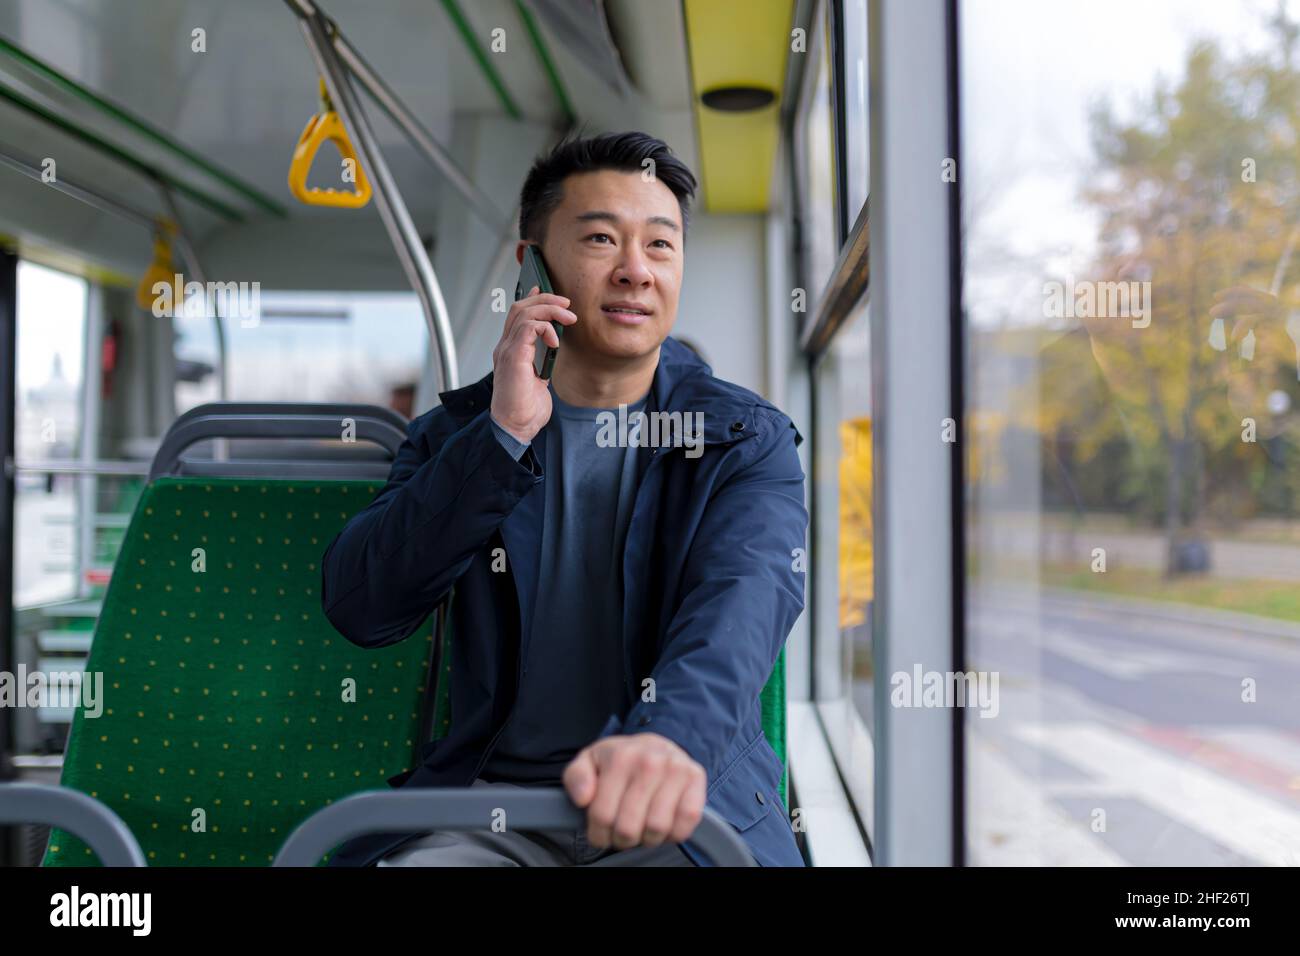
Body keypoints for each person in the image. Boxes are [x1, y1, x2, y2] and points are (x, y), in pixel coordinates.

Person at [320, 131, 807, 867]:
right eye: (603, 239)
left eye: (661, 246)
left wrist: (663, 745)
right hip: (491, 811)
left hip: (679, 806)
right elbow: (363, 603)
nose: (636, 272)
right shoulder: (456, 435)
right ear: (532, 267)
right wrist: (501, 438)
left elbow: (738, 614)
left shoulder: (744, 439)